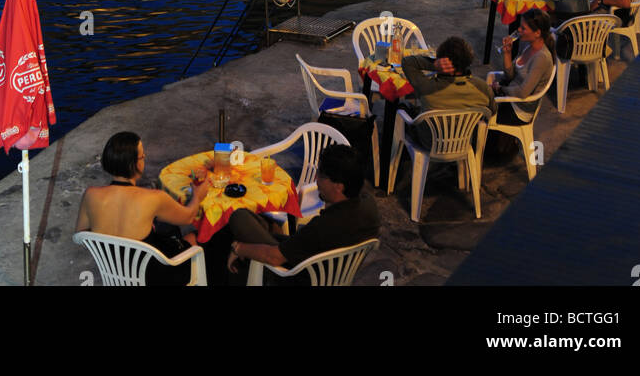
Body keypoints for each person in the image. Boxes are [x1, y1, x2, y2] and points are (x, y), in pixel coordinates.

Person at [224, 144, 378, 287]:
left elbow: (274, 258)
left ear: (339, 186)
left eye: (321, 176)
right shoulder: (369, 208)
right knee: (267, 224)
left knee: (239, 218)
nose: (316, 179)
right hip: (327, 269)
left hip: (296, 275)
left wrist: (238, 248)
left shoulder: (322, 227)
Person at [75, 131, 209, 286]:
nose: (144, 157)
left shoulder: (90, 195)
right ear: (134, 164)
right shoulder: (154, 198)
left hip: (115, 275)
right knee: (194, 238)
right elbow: (188, 217)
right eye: (142, 156)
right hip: (151, 278)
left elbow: (82, 237)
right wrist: (198, 196)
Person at [400, 36, 496, 147]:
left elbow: (407, 62)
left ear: (442, 62)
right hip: (463, 143)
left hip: (430, 143)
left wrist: (434, 65)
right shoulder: (483, 88)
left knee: (403, 109)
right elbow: (492, 111)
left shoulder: (427, 87)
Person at [489, 9, 555, 122]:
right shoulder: (527, 44)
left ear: (537, 33)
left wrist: (501, 89)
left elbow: (523, 93)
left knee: (479, 114)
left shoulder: (541, 58)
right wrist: (507, 54)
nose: (518, 30)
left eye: (523, 28)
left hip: (519, 110)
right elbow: (510, 76)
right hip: (510, 96)